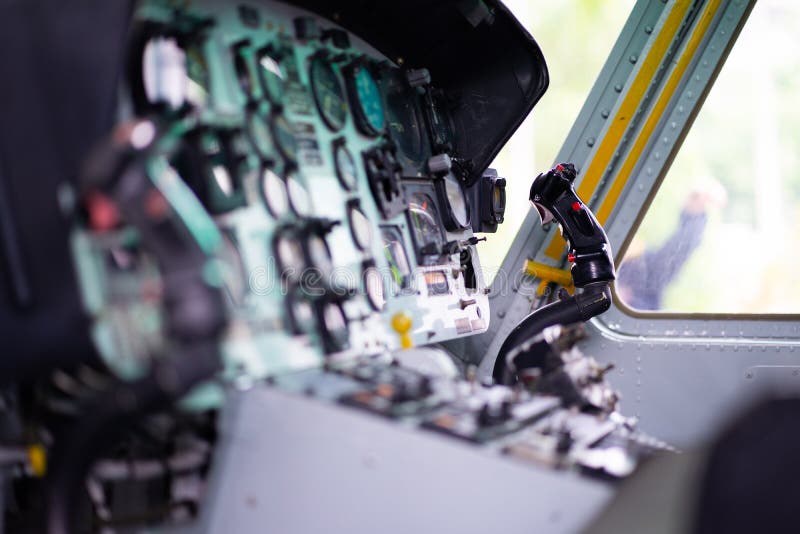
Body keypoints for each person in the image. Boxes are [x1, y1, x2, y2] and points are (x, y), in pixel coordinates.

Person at [616, 180, 727, 311]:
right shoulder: (686, 230)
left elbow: (660, 269)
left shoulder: (691, 233)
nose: (686, 201)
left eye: (694, 197)